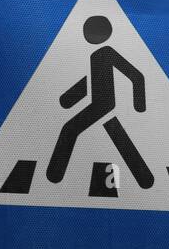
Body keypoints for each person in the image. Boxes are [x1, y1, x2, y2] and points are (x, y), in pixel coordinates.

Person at [46, 15, 155, 189]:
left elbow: (136, 75)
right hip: (102, 104)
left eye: (88, 30)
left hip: (103, 104)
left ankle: (54, 174)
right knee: (119, 137)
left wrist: (139, 104)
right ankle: (145, 179)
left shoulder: (107, 53)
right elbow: (91, 81)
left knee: (70, 129)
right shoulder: (97, 55)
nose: (85, 34)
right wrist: (68, 99)